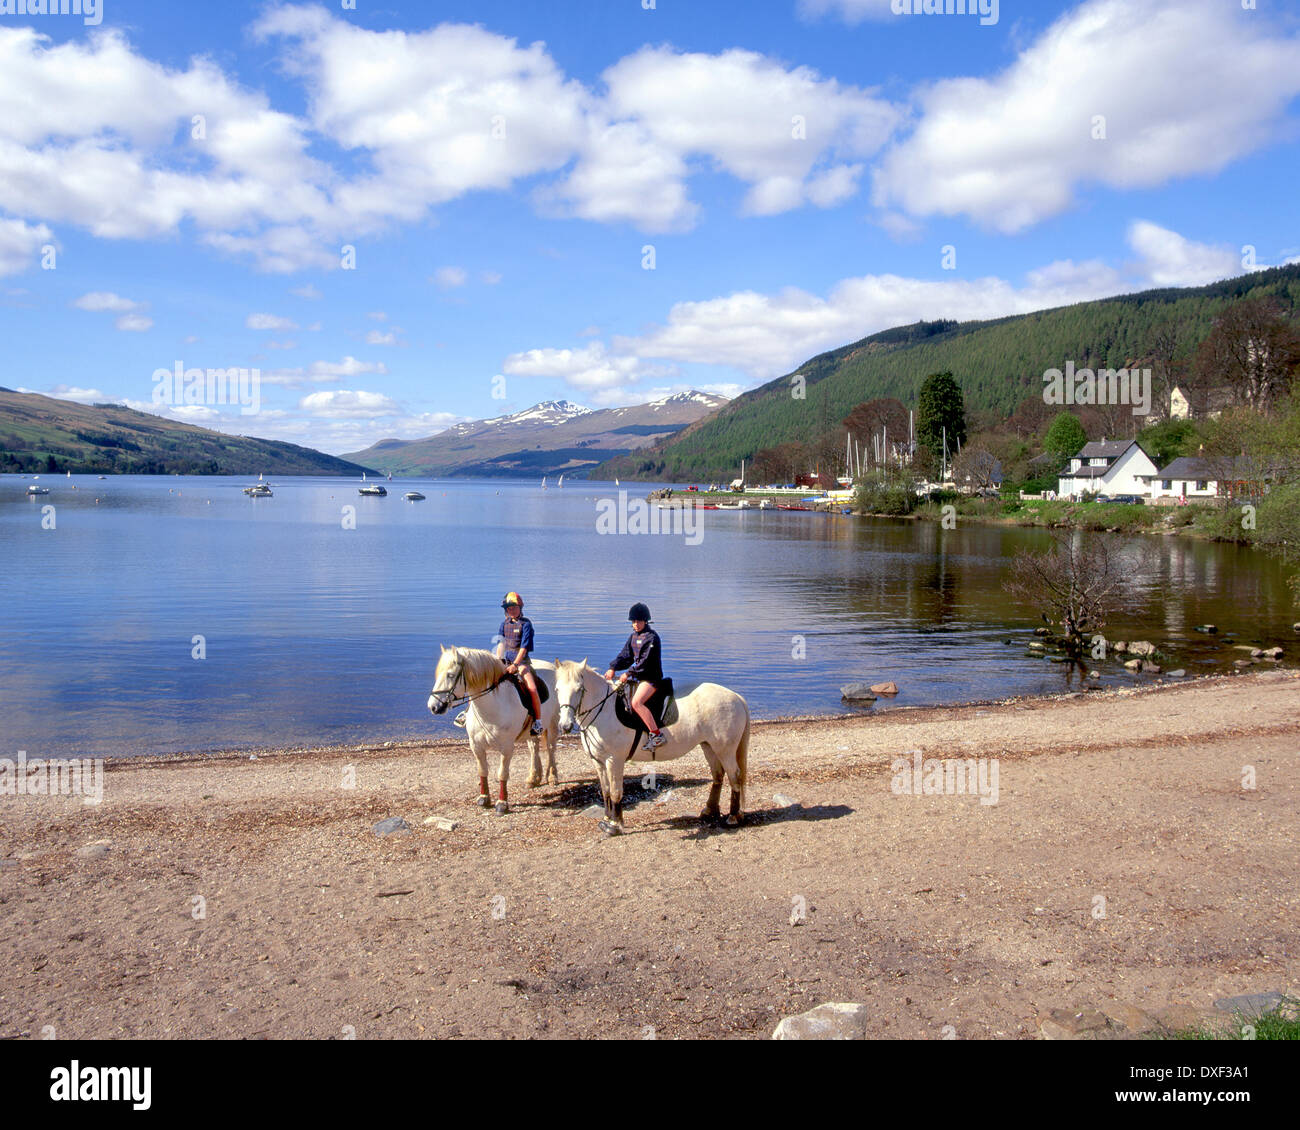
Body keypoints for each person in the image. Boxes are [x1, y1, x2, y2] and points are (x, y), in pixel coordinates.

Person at [605, 602, 666, 751]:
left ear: (645, 621)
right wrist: (613, 667)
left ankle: (656, 734)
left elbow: (645, 662)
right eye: (633, 622)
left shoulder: (652, 638)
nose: (635, 624)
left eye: (638, 621)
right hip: (638, 676)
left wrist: (627, 673)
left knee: (636, 703)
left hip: (651, 678)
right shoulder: (633, 637)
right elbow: (625, 656)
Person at [498, 592, 545, 735]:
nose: (511, 610)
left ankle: (538, 721)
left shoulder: (526, 624)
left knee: (532, 688)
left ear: (520, 607)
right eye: (508, 608)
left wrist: (516, 665)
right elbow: (501, 643)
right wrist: (498, 660)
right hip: (506, 661)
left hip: (522, 663)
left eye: (514, 607)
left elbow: (523, 648)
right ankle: (468, 714)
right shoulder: (504, 624)